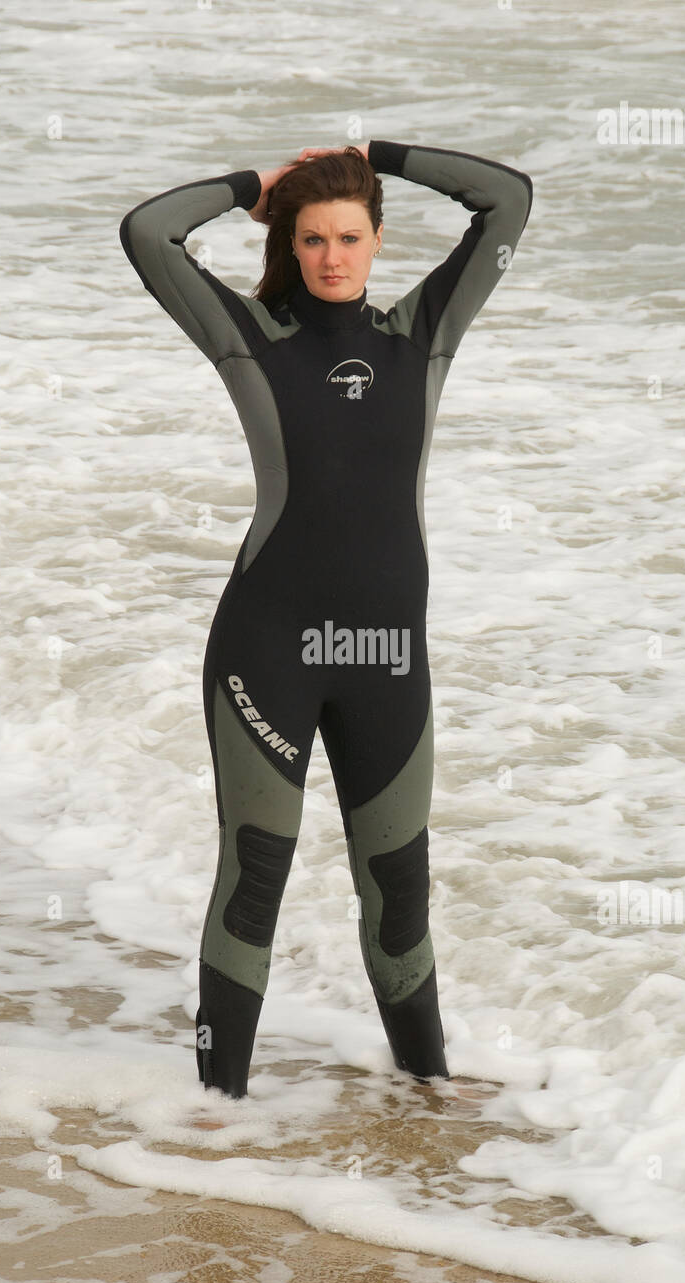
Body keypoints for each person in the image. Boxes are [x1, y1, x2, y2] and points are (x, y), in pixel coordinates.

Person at [119, 139, 533, 1099]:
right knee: (255, 879)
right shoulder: (251, 338)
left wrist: (372, 153)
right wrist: (254, 187)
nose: (332, 257)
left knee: (400, 899)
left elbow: (506, 202)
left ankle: (429, 1105)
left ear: (378, 241)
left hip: (389, 657)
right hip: (269, 649)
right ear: (291, 244)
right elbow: (149, 233)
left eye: (350, 236)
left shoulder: (420, 336)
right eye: (312, 238)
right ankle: (215, 1119)